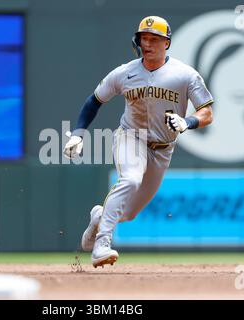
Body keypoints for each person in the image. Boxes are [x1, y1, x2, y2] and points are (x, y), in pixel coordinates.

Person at [63, 16, 214, 268]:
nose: (148, 44)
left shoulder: (185, 75)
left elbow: (207, 112)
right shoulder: (125, 73)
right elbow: (95, 100)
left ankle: (100, 217)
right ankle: (102, 243)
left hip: (163, 148)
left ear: (167, 43)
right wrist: (79, 132)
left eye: (155, 39)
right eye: (144, 38)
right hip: (130, 137)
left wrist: (188, 122)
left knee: (129, 214)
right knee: (130, 178)